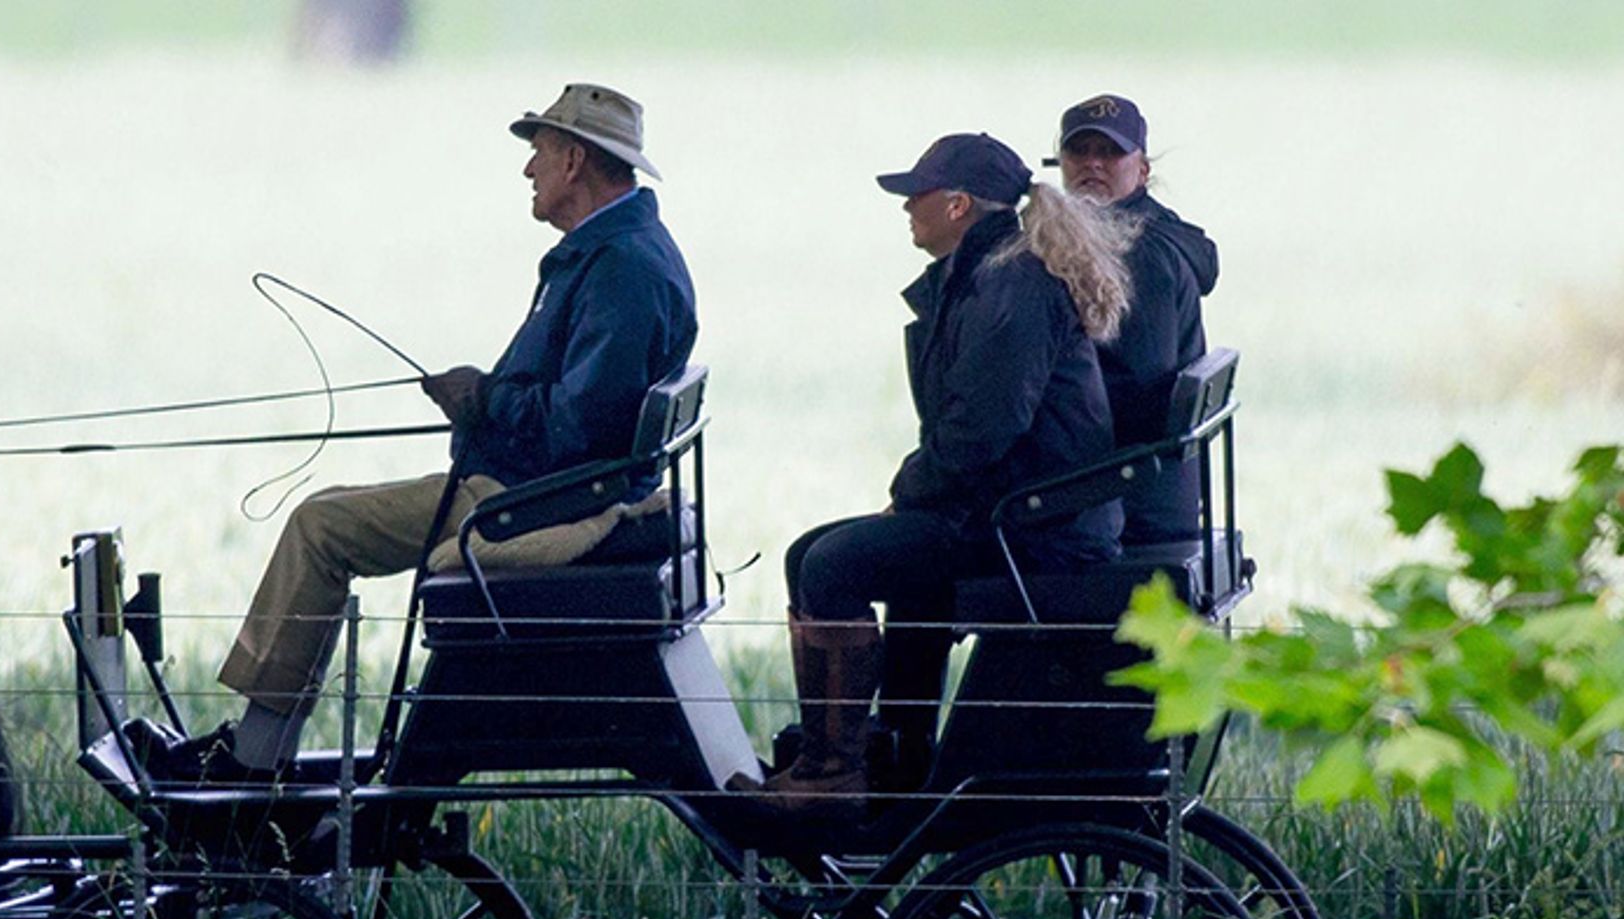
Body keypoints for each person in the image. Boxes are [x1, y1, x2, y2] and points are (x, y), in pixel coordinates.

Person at [147, 83, 697, 784]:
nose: (527, 170)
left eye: (538, 153)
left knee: (321, 526)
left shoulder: (621, 270)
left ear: (573, 163)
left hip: (538, 501)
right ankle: (258, 754)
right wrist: (482, 402)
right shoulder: (615, 252)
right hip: (542, 486)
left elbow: (577, 428)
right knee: (330, 514)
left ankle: (248, 769)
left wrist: (484, 399)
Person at [751, 133, 1131, 811]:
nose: (906, 210)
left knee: (829, 566)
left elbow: (979, 434)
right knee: (818, 553)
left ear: (957, 205)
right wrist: (917, 499)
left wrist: (907, 495)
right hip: (1016, 510)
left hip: (1033, 530)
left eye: (915, 197)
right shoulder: (992, 273)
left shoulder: (1007, 285)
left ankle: (833, 773)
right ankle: (895, 745)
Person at [1053, 94, 1219, 543]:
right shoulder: (1128, 233)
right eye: (1080, 151)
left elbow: (1136, 389)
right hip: (1156, 485)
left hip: (1134, 502)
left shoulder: (1139, 253)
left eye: (1110, 152)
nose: (1094, 164)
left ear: (1142, 169)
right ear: (1060, 163)